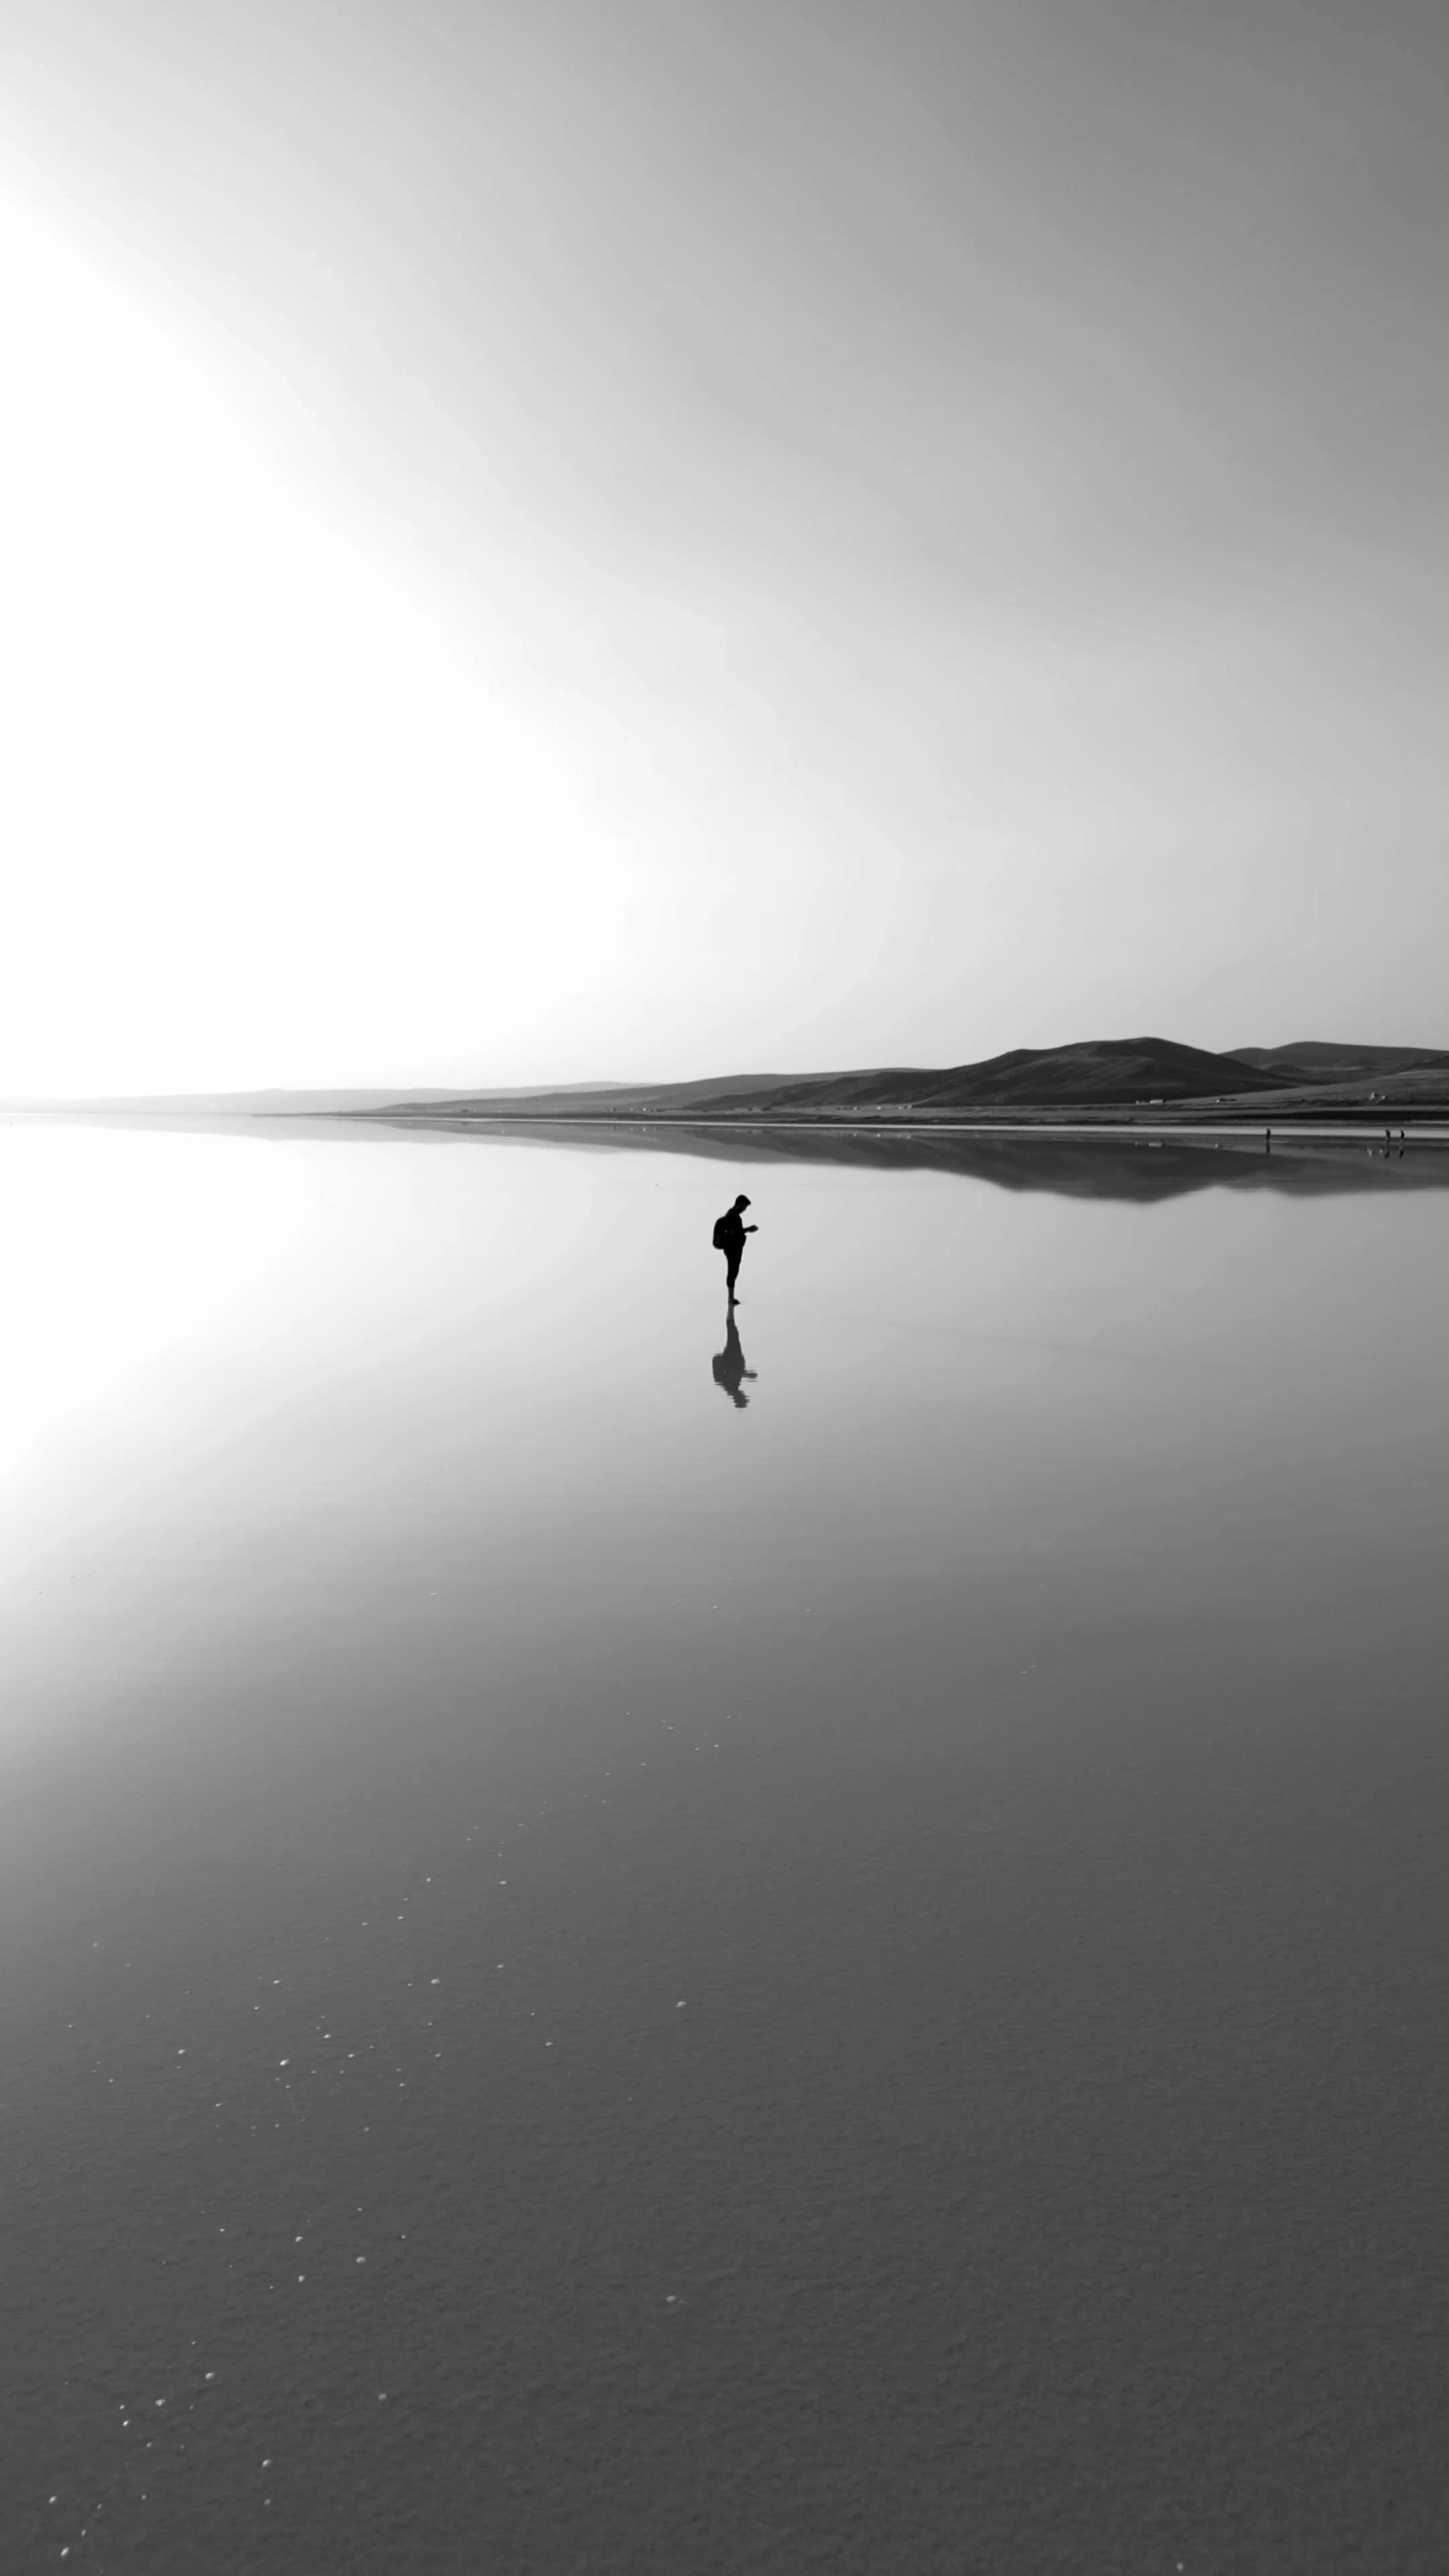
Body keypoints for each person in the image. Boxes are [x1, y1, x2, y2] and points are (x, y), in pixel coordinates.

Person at [711, 1193, 757, 1301]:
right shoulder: (733, 1216)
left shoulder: (732, 1215)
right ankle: (730, 1298)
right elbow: (734, 1232)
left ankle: (731, 1297)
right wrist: (749, 1229)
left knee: (733, 1271)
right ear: (739, 1205)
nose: (744, 1210)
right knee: (732, 1271)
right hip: (732, 1248)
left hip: (733, 1247)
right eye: (745, 1207)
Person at [711, 1309, 758, 1409]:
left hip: (732, 1356)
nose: (743, 1394)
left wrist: (747, 1374)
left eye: (743, 1397)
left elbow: (733, 1372)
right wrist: (747, 1374)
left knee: (732, 1331)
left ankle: (730, 1308)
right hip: (735, 1355)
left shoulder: (731, 1388)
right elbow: (736, 1372)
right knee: (733, 1331)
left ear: (738, 1399)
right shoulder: (734, 1387)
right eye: (744, 1396)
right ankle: (731, 1308)